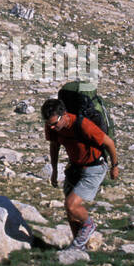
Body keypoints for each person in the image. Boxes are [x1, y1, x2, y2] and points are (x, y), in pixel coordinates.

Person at [41, 98, 119, 250]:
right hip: (75, 167)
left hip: (94, 167)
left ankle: (89, 225)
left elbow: (109, 143)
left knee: (71, 205)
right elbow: (54, 146)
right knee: (71, 213)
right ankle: (79, 246)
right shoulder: (51, 126)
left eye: (54, 123)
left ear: (64, 115)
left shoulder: (83, 125)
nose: (52, 127)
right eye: (49, 124)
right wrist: (54, 171)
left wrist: (114, 166)